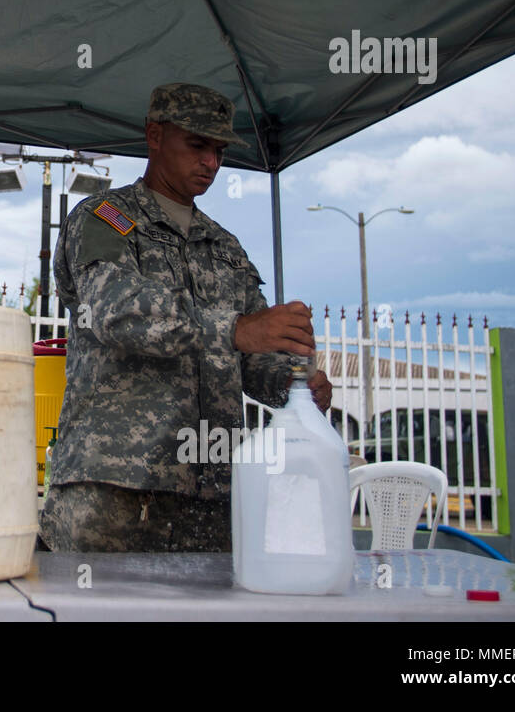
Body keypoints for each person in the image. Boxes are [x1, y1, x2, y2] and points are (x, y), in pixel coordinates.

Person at [39, 82, 334, 553]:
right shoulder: (105, 218)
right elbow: (117, 310)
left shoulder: (225, 247)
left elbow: (251, 362)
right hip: (116, 489)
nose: (212, 163)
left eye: (218, 150)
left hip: (212, 498)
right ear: (154, 136)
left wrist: (295, 385)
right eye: (197, 145)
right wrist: (236, 329)